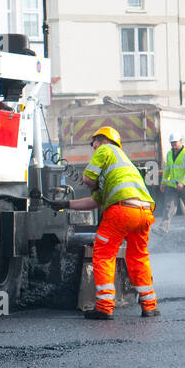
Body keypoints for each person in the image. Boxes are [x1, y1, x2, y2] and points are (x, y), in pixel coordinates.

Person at [64, 126, 159, 320]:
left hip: (122, 211)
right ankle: (149, 305)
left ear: (103, 140)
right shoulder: (123, 163)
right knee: (138, 256)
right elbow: (95, 202)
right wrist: (66, 204)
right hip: (145, 211)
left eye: (94, 142)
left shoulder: (105, 149)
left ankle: (105, 307)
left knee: (104, 253)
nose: (93, 147)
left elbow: (87, 179)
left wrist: (91, 182)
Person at [160, 132, 185, 235]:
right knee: (169, 206)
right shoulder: (169, 154)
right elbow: (167, 169)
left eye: (175, 143)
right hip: (173, 185)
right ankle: (163, 228)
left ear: (180, 142)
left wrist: (182, 182)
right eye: (172, 143)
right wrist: (163, 182)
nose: (174, 145)